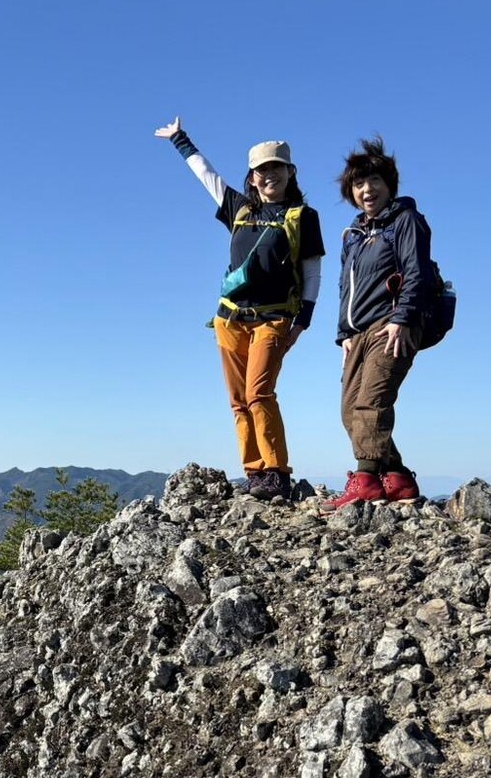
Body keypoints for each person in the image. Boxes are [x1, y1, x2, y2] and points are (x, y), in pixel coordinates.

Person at [155, 117, 325, 501]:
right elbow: (206, 175)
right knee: (238, 400)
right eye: (262, 170)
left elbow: (312, 270)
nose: (269, 176)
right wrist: (180, 140)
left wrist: (304, 320)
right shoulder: (239, 207)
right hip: (229, 318)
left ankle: (277, 470)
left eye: (276, 168)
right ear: (252, 177)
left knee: (259, 393)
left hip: (275, 317)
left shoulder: (303, 216)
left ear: (290, 172)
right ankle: (255, 472)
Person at [324, 137, 429, 509]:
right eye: (358, 184)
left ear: (389, 185)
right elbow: (344, 288)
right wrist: (344, 336)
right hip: (359, 332)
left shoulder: (405, 222)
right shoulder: (353, 236)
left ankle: (366, 479)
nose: (366, 190)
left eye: (374, 182)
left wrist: (401, 319)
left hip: (391, 324)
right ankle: (397, 476)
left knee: (372, 402)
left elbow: (415, 272)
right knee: (350, 409)